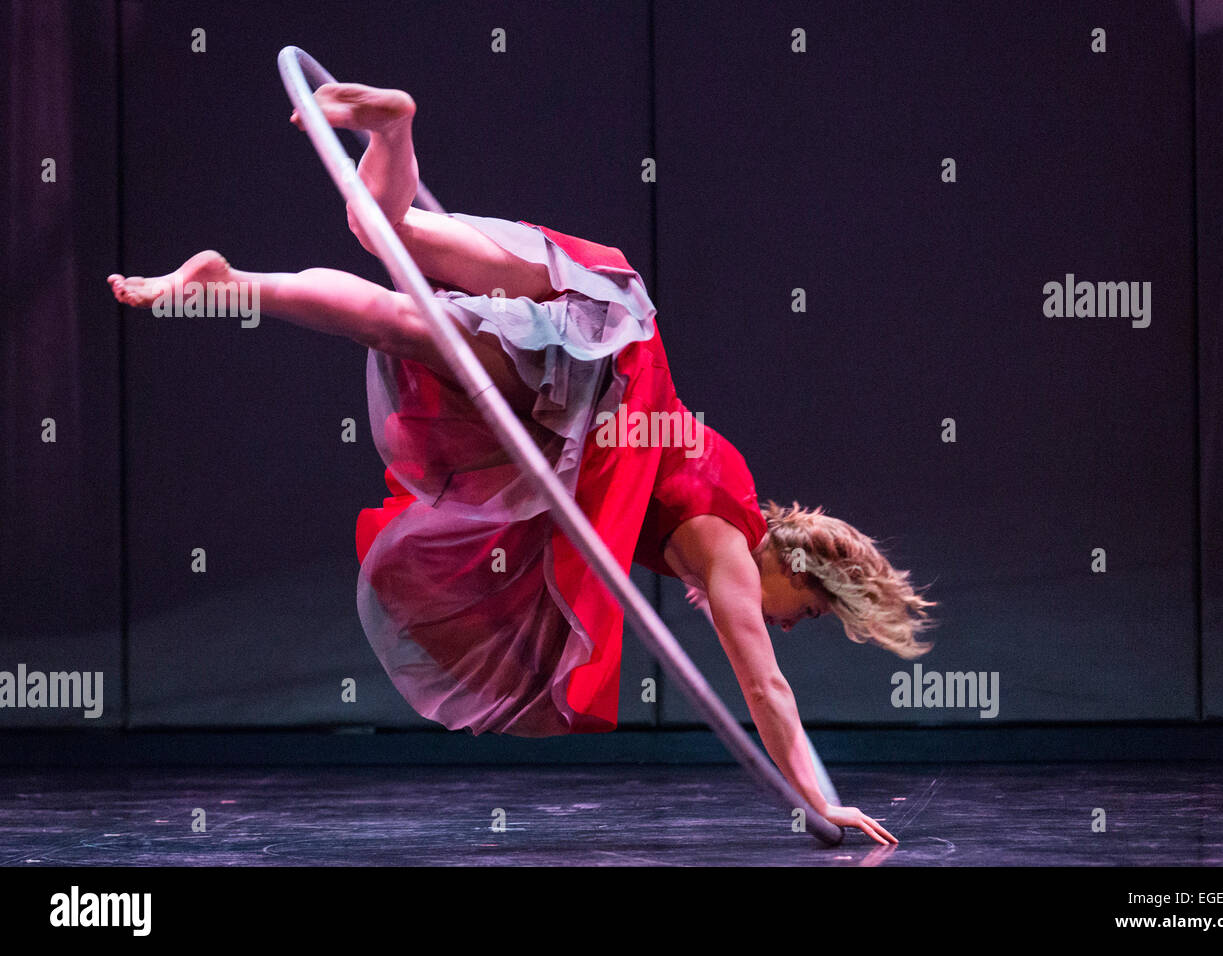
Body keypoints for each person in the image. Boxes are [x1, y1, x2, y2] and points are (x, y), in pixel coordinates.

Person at [108, 82, 938, 845]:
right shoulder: (729, 548)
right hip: (601, 372)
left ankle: (352, 164)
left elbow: (650, 475)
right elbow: (766, 690)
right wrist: (817, 800)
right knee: (403, 325)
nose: (793, 626)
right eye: (814, 612)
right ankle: (254, 263)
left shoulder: (733, 498)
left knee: (381, 231)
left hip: (610, 296)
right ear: (797, 572)